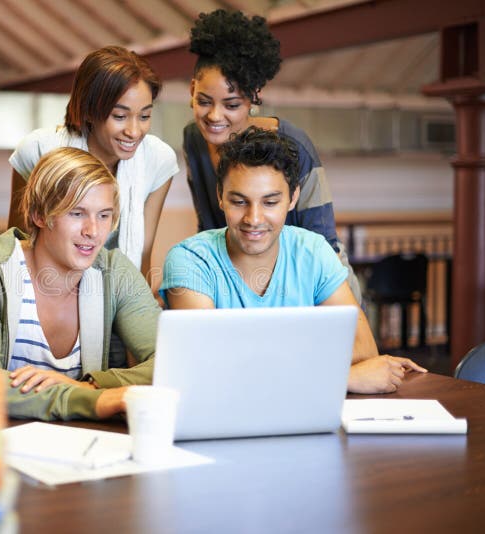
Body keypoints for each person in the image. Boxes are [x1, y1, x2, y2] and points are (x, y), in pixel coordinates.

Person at [161, 127, 426, 393]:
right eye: (239, 202)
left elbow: (363, 349)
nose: (254, 219)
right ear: (220, 196)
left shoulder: (313, 250)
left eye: (270, 202)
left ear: (293, 198)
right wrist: (344, 378)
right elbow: (208, 366)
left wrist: (261, 367)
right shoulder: (191, 260)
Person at [0, 147, 158, 420]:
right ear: (40, 215)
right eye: (77, 213)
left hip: (87, 439)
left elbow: (175, 361)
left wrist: (91, 386)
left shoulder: (115, 271)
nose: (93, 231)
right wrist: (89, 400)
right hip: (2, 437)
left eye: (104, 215)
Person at [184, 9, 362, 301]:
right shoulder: (193, 140)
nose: (214, 116)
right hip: (249, 281)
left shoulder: (295, 146)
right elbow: (210, 228)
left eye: (231, 105)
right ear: (192, 90)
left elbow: (324, 244)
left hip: (314, 284)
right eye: (204, 101)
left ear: (254, 97)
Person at [8, 45, 178, 280]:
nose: (134, 131)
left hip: (119, 291)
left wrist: (141, 301)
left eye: (144, 116)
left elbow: (143, 253)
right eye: (120, 116)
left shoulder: (158, 160)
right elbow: (18, 247)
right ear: (88, 110)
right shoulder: (38, 151)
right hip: (46, 287)